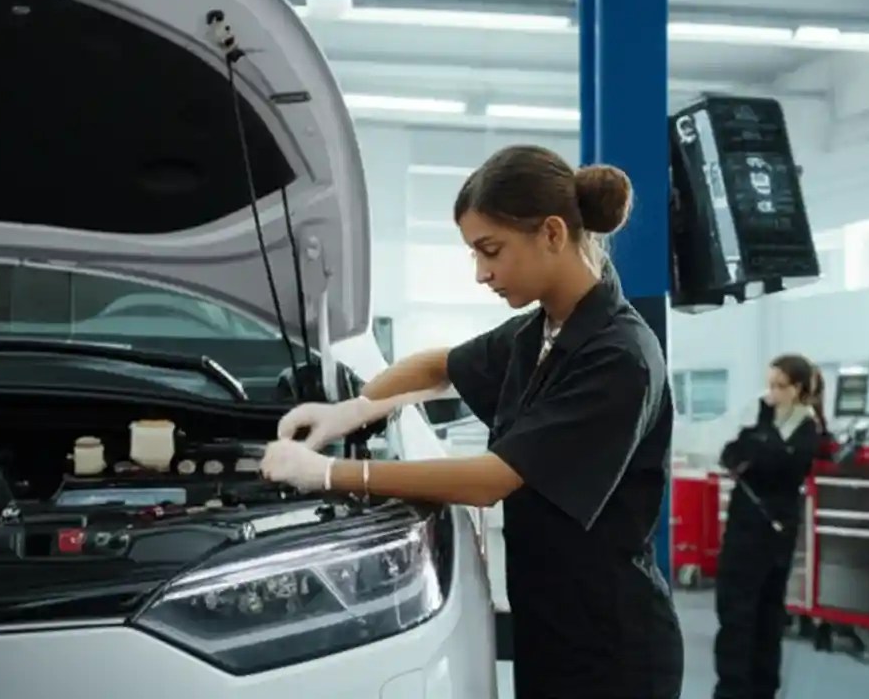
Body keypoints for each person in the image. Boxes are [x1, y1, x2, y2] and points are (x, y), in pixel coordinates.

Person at [260, 144, 685, 699]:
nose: (482, 273)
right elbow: (440, 365)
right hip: (552, 627)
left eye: (491, 250)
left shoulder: (617, 356)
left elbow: (491, 480)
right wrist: (354, 409)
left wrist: (330, 475)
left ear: (552, 234)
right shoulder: (542, 332)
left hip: (612, 647)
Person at [713, 354, 824, 699]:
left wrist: (757, 447)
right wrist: (754, 448)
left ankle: (750, 691)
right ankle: (737, 688)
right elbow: (732, 453)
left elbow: (782, 463)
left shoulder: (807, 427)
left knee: (761, 614)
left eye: (780, 386)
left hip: (773, 531)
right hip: (745, 527)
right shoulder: (761, 420)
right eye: (770, 384)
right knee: (736, 613)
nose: (771, 393)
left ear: (798, 390)